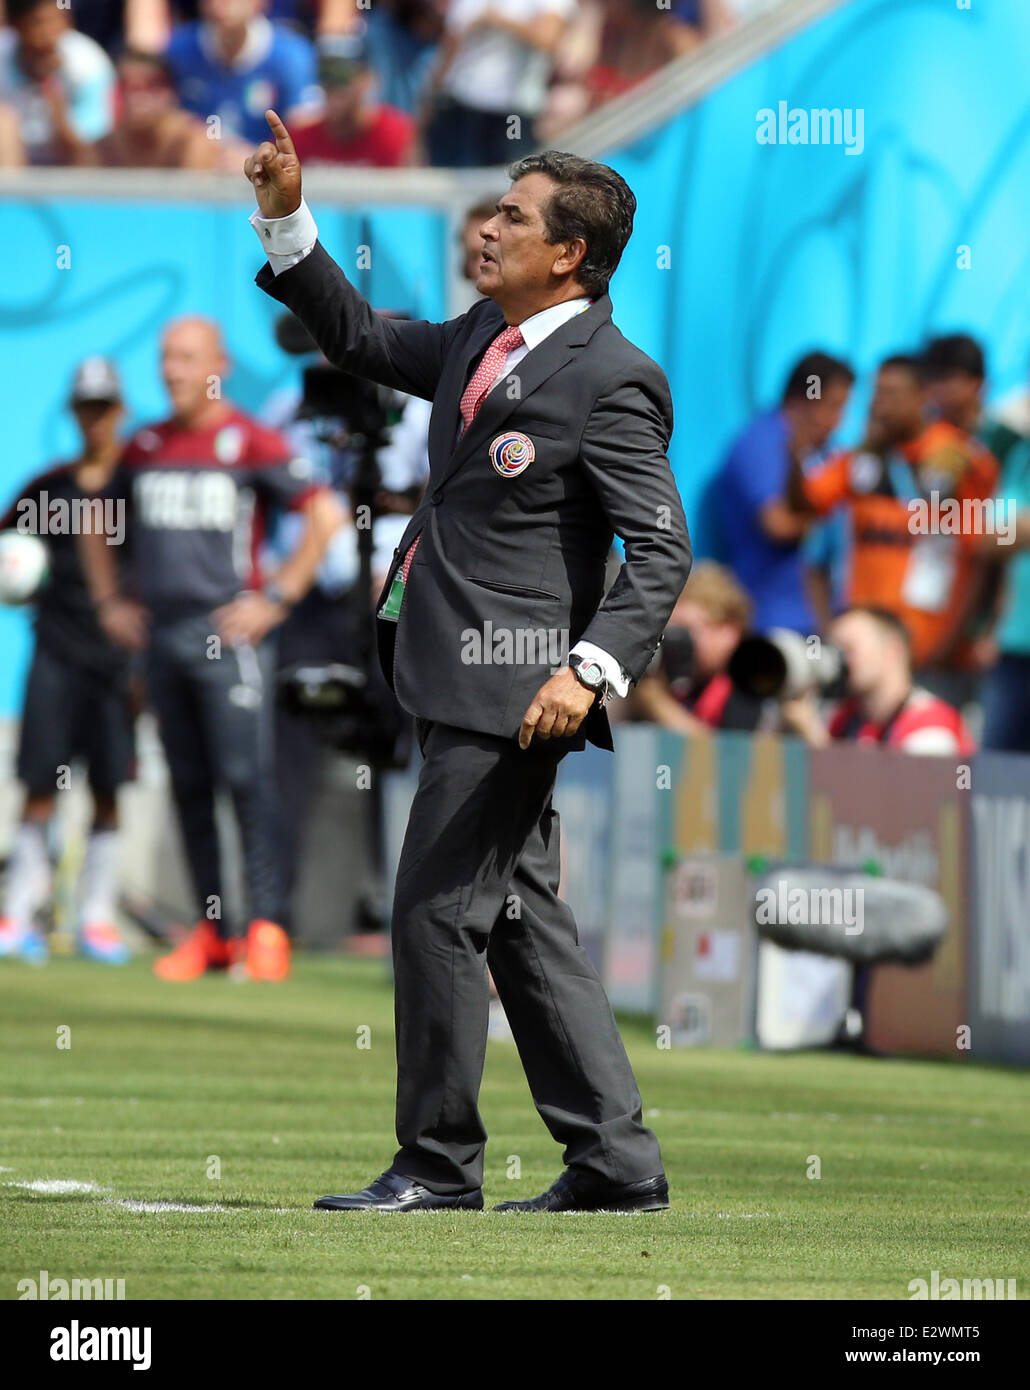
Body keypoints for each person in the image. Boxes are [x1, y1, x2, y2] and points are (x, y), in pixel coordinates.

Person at [246, 112, 691, 1212]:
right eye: (495, 207)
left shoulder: (613, 377)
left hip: (517, 688)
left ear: (568, 256)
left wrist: (586, 668)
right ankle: (615, 1163)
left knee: (437, 912)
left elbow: (663, 543)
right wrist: (285, 213)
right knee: (517, 920)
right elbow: (352, 336)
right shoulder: (476, 340)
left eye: (512, 217)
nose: (486, 227)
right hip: (447, 671)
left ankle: (438, 1167)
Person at [81, 317, 343, 983]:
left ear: (217, 364)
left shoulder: (249, 441)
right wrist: (111, 601)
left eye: (186, 357)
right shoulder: (143, 447)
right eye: (166, 357)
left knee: (248, 781)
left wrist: (277, 598)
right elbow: (93, 518)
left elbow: (325, 514)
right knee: (189, 788)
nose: (172, 370)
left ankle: (266, 927)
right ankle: (211, 932)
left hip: (229, 637)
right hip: (161, 639)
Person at [0, 359, 135, 966]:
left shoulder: (138, 483)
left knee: (108, 788)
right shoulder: (45, 489)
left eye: (105, 407)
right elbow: (7, 555)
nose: (96, 419)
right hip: (54, 651)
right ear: (74, 412)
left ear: (120, 411)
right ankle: (20, 914)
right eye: (86, 407)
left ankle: (97, 918)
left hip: (116, 663)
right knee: (38, 785)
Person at [785, 354, 999, 704]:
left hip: (934, 654)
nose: (880, 405)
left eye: (893, 394)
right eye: (877, 394)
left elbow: (981, 556)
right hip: (866, 651)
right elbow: (804, 506)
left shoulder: (961, 460)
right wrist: (796, 454)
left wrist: (954, 641)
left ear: (922, 397)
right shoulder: (861, 459)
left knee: (929, 748)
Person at [718, 350, 854, 634]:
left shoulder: (822, 453)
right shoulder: (762, 443)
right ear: (800, 401)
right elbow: (778, 524)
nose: (837, 422)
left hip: (816, 623)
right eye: (833, 407)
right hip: (771, 625)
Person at [781, 606, 975, 755]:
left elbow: (911, 802)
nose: (837, 659)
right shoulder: (844, 719)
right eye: (833, 648)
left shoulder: (931, 725)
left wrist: (814, 738)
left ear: (893, 652)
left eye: (848, 649)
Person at [421, 0, 575, 167]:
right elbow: (450, 45)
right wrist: (432, 95)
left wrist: (500, 21)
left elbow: (548, 38)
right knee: (451, 173)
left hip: (512, 111)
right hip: (461, 102)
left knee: (512, 171)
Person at [626, 562, 764, 734]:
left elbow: (726, 754)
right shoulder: (664, 674)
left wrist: (655, 701)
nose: (675, 640)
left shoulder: (750, 684)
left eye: (687, 629)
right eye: (670, 629)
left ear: (728, 633)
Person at [165, 0, 322, 146]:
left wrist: (259, 157)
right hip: (195, 166)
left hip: (266, 166)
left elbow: (305, 126)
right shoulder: (178, 50)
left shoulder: (291, 54)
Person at [0, 0, 115, 166]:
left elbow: (90, 150)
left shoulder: (90, 65)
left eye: (58, 20)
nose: (49, 34)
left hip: (68, 174)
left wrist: (54, 96)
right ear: (16, 25)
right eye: (38, 23)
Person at [290, 38, 413, 167]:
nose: (334, 85)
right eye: (326, 74)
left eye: (343, 74)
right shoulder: (299, 139)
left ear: (368, 79)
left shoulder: (397, 137)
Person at [92, 48, 221, 169]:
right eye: (127, 87)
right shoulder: (104, 149)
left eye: (151, 87)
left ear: (172, 93)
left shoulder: (194, 143)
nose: (137, 99)